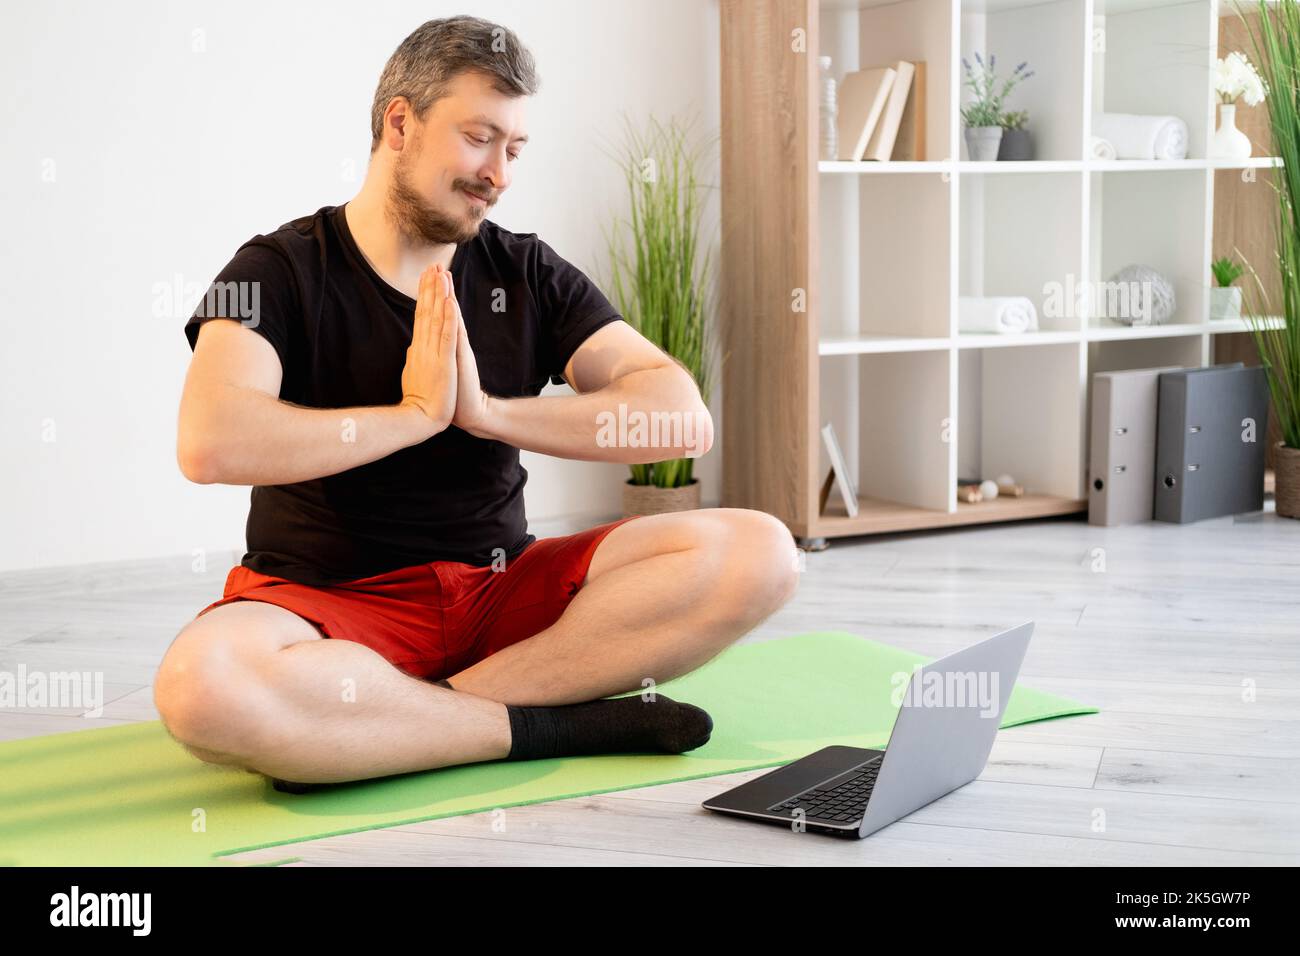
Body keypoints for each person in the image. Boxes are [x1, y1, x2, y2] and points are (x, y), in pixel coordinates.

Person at [156, 15, 798, 792]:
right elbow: (210, 440)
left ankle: (395, 727)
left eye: (514, 149)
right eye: (479, 137)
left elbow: (678, 416)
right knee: (201, 686)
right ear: (400, 124)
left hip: (500, 592)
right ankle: (550, 723)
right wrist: (412, 417)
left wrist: (485, 413)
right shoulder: (276, 268)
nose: (498, 173)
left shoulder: (524, 269)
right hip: (331, 606)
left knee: (762, 552)